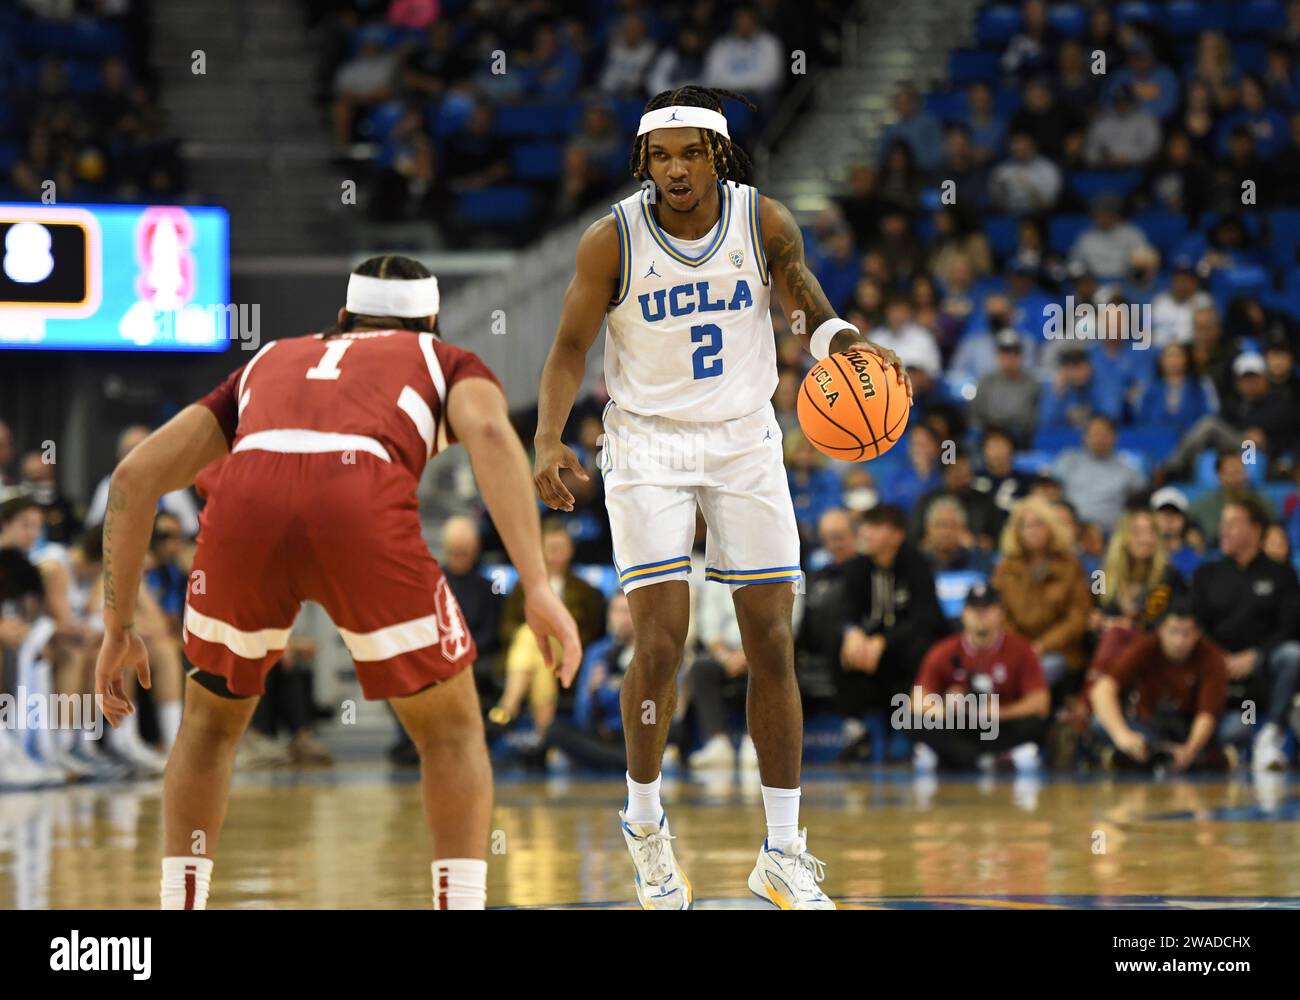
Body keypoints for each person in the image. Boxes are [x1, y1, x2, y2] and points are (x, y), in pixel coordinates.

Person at [93, 255, 582, 911]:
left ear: (342, 318)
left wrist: (117, 627)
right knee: (451, 734)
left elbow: (130, 479)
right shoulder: (446, 360)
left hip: (245, 508)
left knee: (209, 729)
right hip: (360, 503)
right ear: (431, 324)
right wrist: (538, 584)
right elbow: (492, 430)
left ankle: (180, 904)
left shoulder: (268, 359)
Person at [532, 86, 909, 910]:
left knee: (770, 638)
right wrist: (548, 436)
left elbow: (804, 296)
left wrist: (845, 341)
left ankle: (782, 850)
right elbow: (567, 346)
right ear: (644, 161)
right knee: (662, 644)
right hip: (648, 443)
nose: (674, 169)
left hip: (744, 437)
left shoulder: (761, 219)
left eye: (689, 153)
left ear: (718, 156)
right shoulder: (612, 241)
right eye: (659, 155)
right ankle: (644, 827)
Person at [1191, 498, 1300, 771]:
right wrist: (1219, 657)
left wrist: (1256, 654)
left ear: (1255, 529)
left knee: (1292, 654)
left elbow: (1289, 627)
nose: (1223, 530)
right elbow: (1194, 624)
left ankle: (1271, 735)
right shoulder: (1208, 573)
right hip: (1218, 669)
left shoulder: (1281, 574)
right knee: (1234, 732)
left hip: (1264, 668)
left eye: (1232, 523)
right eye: (1223, 523)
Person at [837, 504, 947, 758]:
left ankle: (908, 726)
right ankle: (858, 723)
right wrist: (852, 633)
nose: (866, 532)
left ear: (896, 535)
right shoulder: (858, 566)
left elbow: (925, 618)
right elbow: (845, 610)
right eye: (865, 526)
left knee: (920, 647)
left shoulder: (916, 564)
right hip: (873, 644)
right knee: (842, 646)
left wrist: (883, 642)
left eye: (875, 527)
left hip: (908, 642)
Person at [911, 583, 1049, 772]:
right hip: (958, 726)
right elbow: (917, 700)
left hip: (1000, 725)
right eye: (974, 609)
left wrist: (1000, 712)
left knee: (1035, 724)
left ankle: (961, 757)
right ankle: (990, 758)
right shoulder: (943, 651)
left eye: (987, 609)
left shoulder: (1021, 650)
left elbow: (1040, 702)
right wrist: (949, 707)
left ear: (1000, 612)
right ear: (964, 614)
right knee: (915, 721)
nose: (980, 615)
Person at [1089, 598, 1228, 772]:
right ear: (1161, 630)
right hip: (1150, 726)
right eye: (1173, 632)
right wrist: (1122, 736)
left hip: (1192, 728)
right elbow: (1102, 689)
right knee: (1098, 723)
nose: (1179, 641)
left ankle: (1159, 757)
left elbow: (1207, 714)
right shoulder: (1145, 647)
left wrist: (1190, 749)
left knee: (1236, 728)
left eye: (1186, 633)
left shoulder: (1212, 657)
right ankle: (1148, 752)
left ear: (1198, 633)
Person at [991, 496, 1091, 686]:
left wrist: (1043, 645)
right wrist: (1022, 647)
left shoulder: (1071, 566)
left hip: (1060, 650)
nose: (1032, 531)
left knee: (1039, 671)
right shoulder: (1004, 569)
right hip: (1014, 648)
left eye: (1038, 524)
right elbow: (999, 614)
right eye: (1026, 526)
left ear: (1051, 528)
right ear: (1016, 531)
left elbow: (1078, 617)